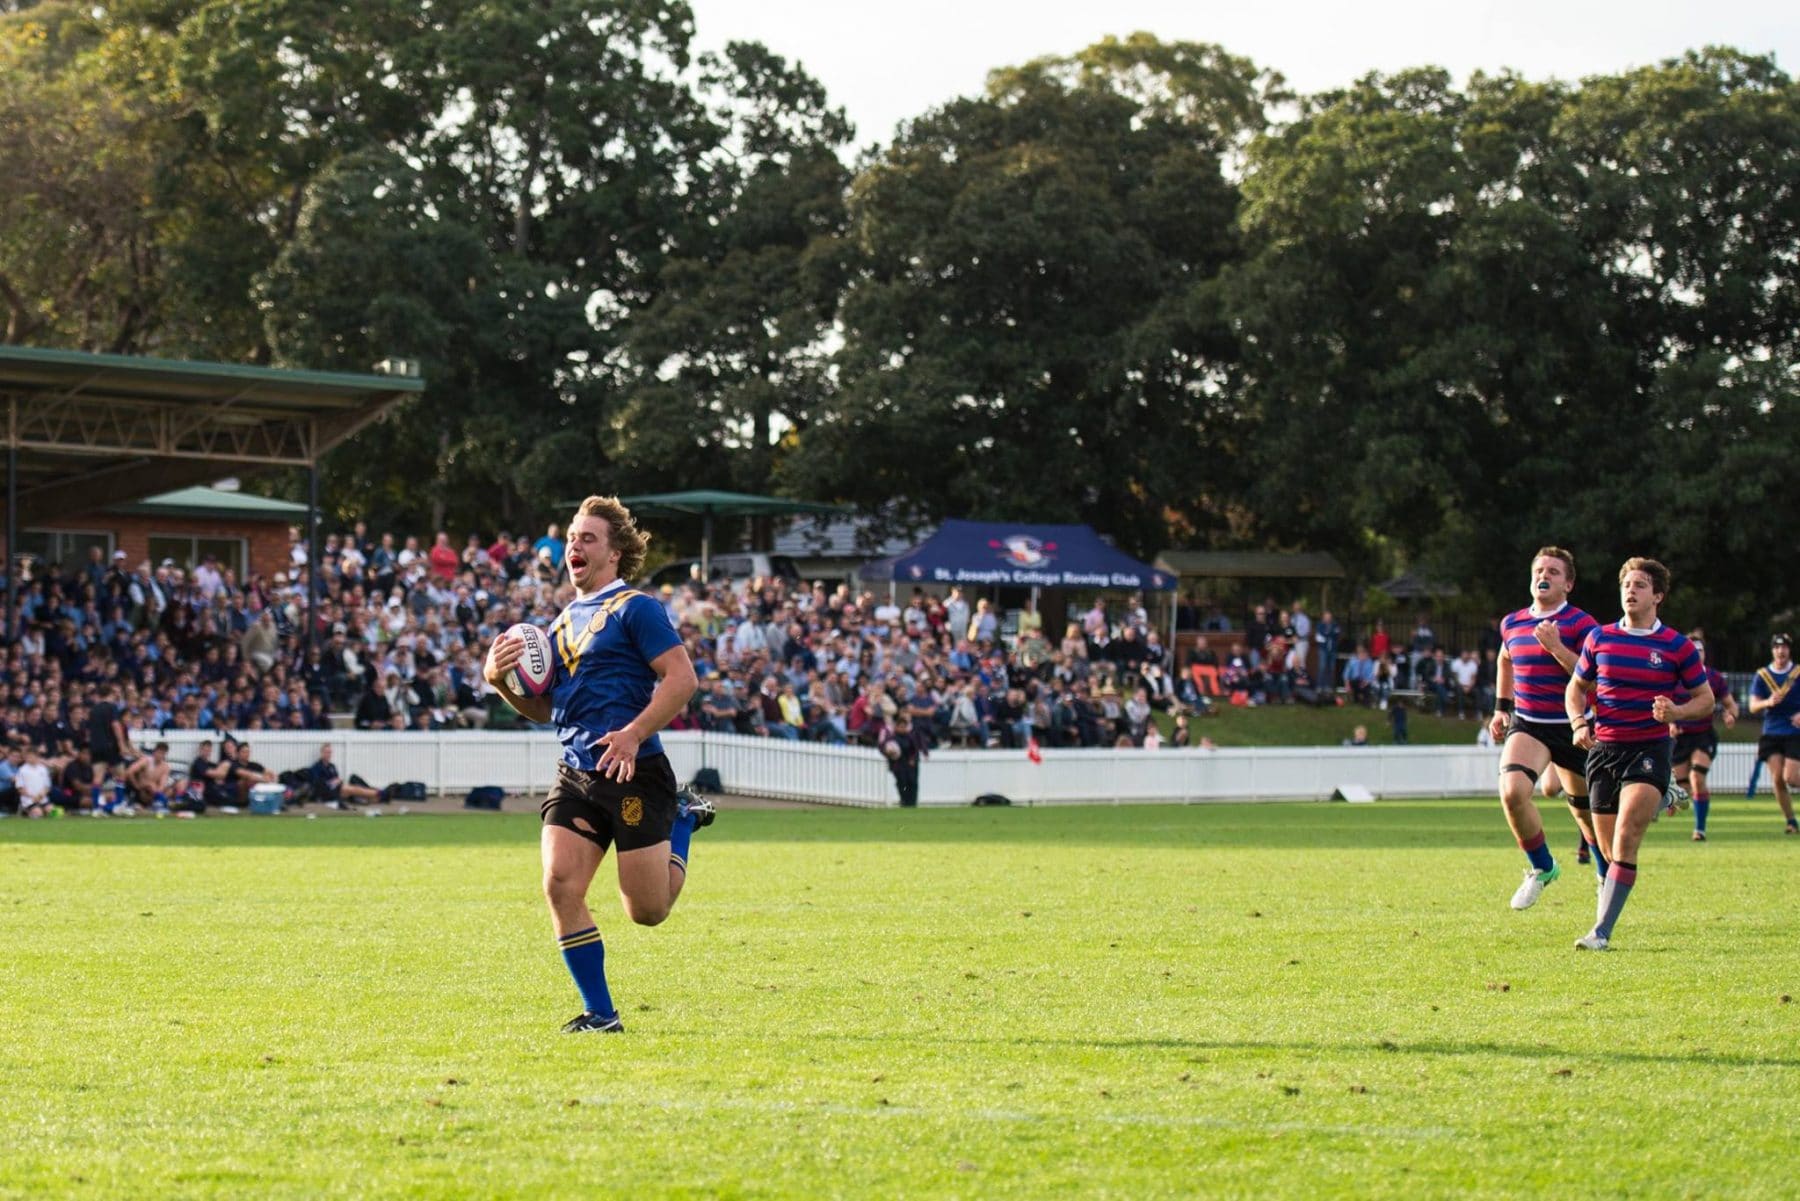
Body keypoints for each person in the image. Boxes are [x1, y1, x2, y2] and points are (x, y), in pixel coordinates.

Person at [483, 495, 708, 1036]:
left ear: (615, 553)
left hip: (636, 771)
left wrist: (633, 734)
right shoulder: (558, 626)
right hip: (577, 774)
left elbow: (682, 680)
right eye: (571, 539)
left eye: (588, 538)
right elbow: (543, 710)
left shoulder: (636, 607)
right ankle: (601, 1015)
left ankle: (682, 821)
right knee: (560, 885)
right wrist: (497, 680)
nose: (574, 547)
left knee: (647, 912)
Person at [1566, 557, 1711, 950]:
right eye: (1626, 584)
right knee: (1610, 851)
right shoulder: (1599, 638)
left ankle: (1600, 932)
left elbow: (1706, 700)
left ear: (1658, 596)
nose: (1630, 590)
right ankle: (1666, 793)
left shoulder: (1677, 646)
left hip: (1649, 748)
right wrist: (1579, 724)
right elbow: (1576, 689)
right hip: (1603, 750)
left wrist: (1677, 712)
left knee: (1628, 837)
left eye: (1640, 585)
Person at [1487, 547, 1603, 912]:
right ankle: (1542, 867)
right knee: (1511, 792)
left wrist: (1556, 649)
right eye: (1540, 569)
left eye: (1554, 571)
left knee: (1588, 816)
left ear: (1567, 584)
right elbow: (1506, 660)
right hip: (1530, 725)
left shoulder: (1583, 625)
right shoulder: (1513, 622)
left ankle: (1604, 878)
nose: (1545, 575)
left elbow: (1598, 681)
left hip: (1575, 727)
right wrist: (1501, 709)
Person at [1670, 634, 1738, 841]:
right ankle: (1669, 798)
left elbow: (1730, 703)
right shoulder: (1673, 677)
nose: (1696, 654)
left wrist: (1731, 714)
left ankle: (1699, 829)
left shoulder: (1714, 677)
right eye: (1692, 650)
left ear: (1704, 654)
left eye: (1699, 650)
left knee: (1697, 778)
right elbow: (1662, 705)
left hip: (1703, 735)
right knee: (1681, 787)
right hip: (1680, 738)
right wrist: (1670, 724)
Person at [1748, 632, 1800, 836]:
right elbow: (1753, 706)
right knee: (1778, 778)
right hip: (1771, 732)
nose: (1781, 651)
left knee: (1792, 778)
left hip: (1794, 732)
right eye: (1777, 647)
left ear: (1789, 650)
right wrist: (1767, 702)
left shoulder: (1797, 673)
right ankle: (1791, 821)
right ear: (1772, 650)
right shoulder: (1762, 675)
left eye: (1785, 647)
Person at [305, 743, 382, 808]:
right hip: (326, 793)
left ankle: (376, 796)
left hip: (337, 790)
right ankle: (379, 793)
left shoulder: (332, 766)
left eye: (330, 752)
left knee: (354, 786)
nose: (328, 754)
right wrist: (332, 782)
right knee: (352, 789)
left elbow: (337, 779)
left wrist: (337, 781)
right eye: (326, 752)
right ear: (322, 753)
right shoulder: (316, 767)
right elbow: (318, 784)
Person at [881, 711, 929, 807]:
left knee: (912, 782)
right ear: (896, 727)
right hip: (898, 764)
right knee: (902, 783)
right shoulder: (892, 738)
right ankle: (904, 801)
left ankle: (912, 802)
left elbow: (914, 749)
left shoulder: (910, 737)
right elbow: (885, 748)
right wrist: (888, 752)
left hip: (910, 764)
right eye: (900, 727)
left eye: (904, 727)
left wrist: (913, 759)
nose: (903, 729)